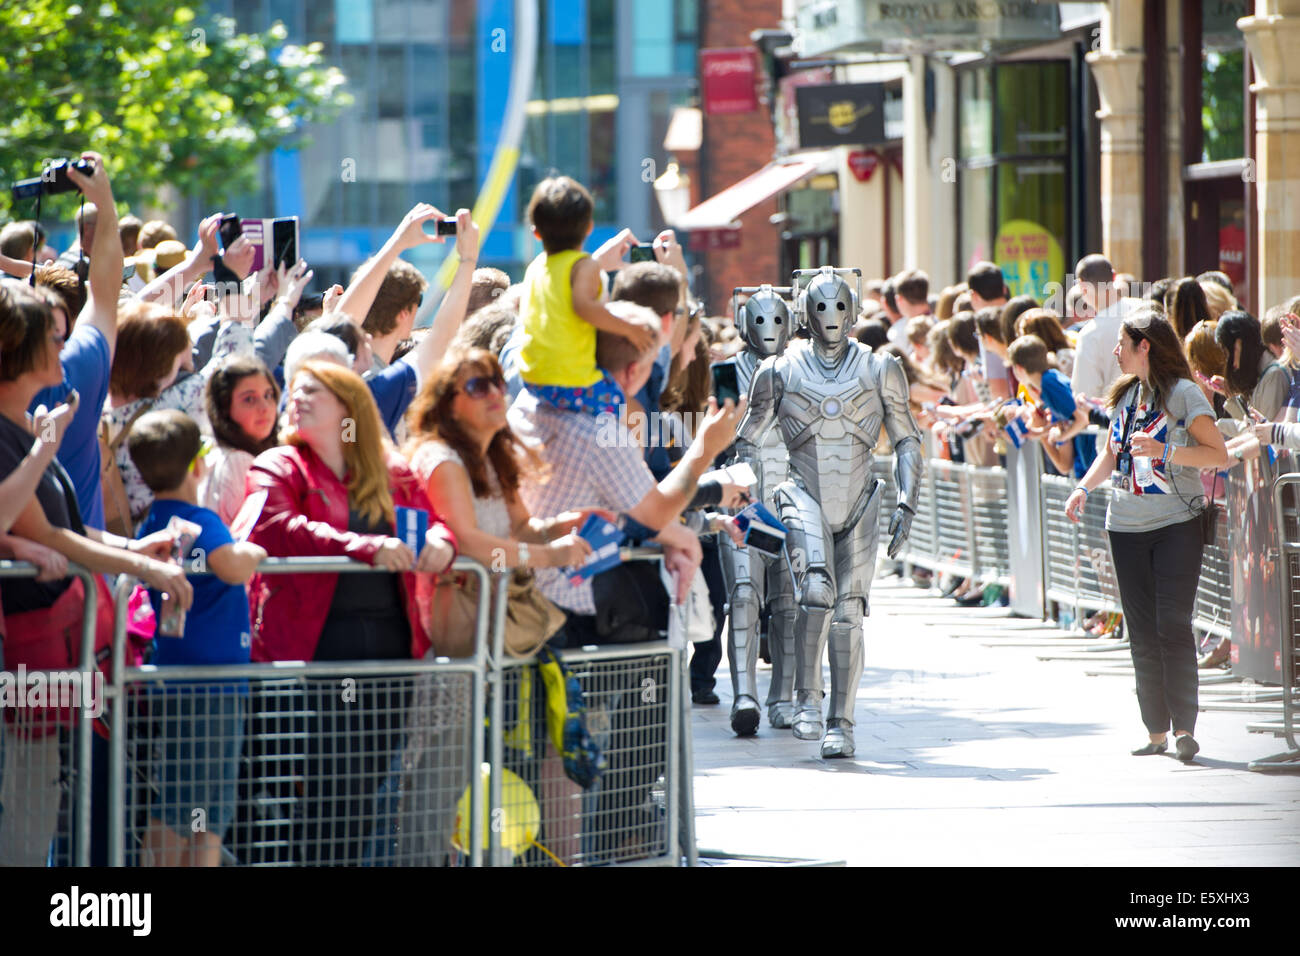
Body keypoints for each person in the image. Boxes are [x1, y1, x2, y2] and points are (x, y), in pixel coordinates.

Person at [0, 281, 192, 866]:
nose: (64, 342)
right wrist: (143, 568)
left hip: (59, 662)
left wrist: (138, 547)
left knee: (42, 816)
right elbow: (47, 537)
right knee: (26, 827)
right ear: (19, 352)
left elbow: (72, 531)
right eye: (50, 336)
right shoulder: (12, 438)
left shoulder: (30, 428)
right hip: (29, 665)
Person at [243, 360, 456, 863]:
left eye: (311, 390)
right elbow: (276, 528)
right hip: (312, 654)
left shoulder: (391, 471)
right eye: (292, 390)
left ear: (348, 406)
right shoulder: (277, 465)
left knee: (360, 796)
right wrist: (363, 547)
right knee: (316, 793)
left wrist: (442, 542)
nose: (295, 399)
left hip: (390, 655)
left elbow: (435, 519)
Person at [1064, 307, 1229, 761]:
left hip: (1177, 524)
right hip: (1125, 527)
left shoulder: (1183, 395)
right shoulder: (1125, 396)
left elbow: (1219, 455)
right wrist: (1082, 488)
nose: (1115, 352)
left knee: (1171, 624)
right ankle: (1155, 730)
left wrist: (1166, 450)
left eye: (1122, 344)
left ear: (1145, 347)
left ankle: (1184, 729)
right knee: (1141, 631)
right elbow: (1109, 455)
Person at [126, 409, 267, 867]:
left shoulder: (154, 521)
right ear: (198, 464)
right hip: (213, 685)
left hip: (180, 678)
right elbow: (231, 564)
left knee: (182, 803)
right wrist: (254, 548)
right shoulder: (200, 520)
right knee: (203, 816)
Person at [513, 176, 657, 416]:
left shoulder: (536, 267)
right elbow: (584, 307)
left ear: (536, 233)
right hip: (569, 382)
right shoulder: (585, 266)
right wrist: (630, 329)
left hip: (532, 378)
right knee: (633, 412)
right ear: (589, 227)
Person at [199, 356, 280, 525]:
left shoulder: (218, 454)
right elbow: (248, 536)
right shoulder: (239, 462)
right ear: (224, 409)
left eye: (268, 395)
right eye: (249, 399)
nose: (264, 407)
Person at [1007, 334, 1094, 479]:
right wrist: (1040, 432)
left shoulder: (1049, 383)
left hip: (1089, 456)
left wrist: (1061, 436)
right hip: (1085, 458)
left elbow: (1082, 419)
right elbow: (1066, 420)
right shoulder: (1049, 380)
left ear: (1019, 369)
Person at [1214, 310, 1289, 422]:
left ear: (1238, 345)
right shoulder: (1261, 374)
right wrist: (1231, 393)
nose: (1229, 363)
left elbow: (1262, 432)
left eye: (1226, 352)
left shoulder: (1274, 376)